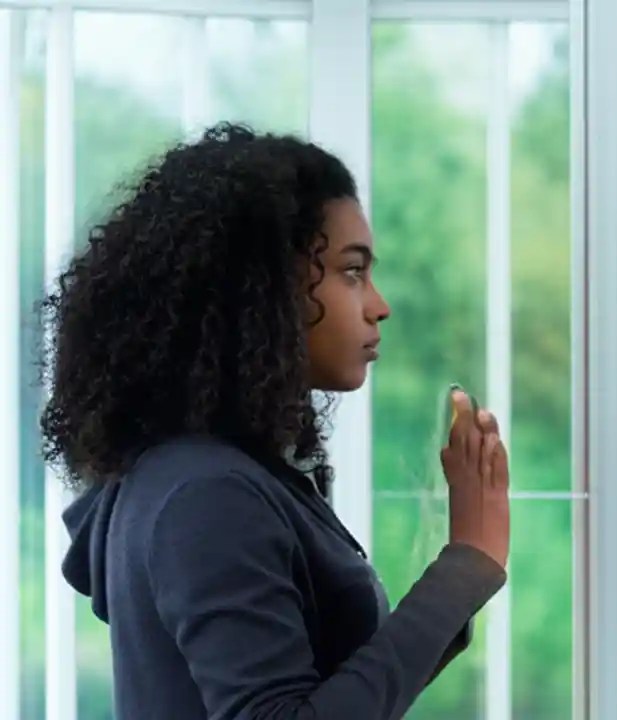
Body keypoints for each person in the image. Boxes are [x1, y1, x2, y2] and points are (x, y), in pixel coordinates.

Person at [43, 122, 510, 719]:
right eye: (351, 271)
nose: (379, 304)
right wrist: (470, 558)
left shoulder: (218, 475)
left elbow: (345, 692)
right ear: (261, 291)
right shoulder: (204, 494)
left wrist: (467, 564)